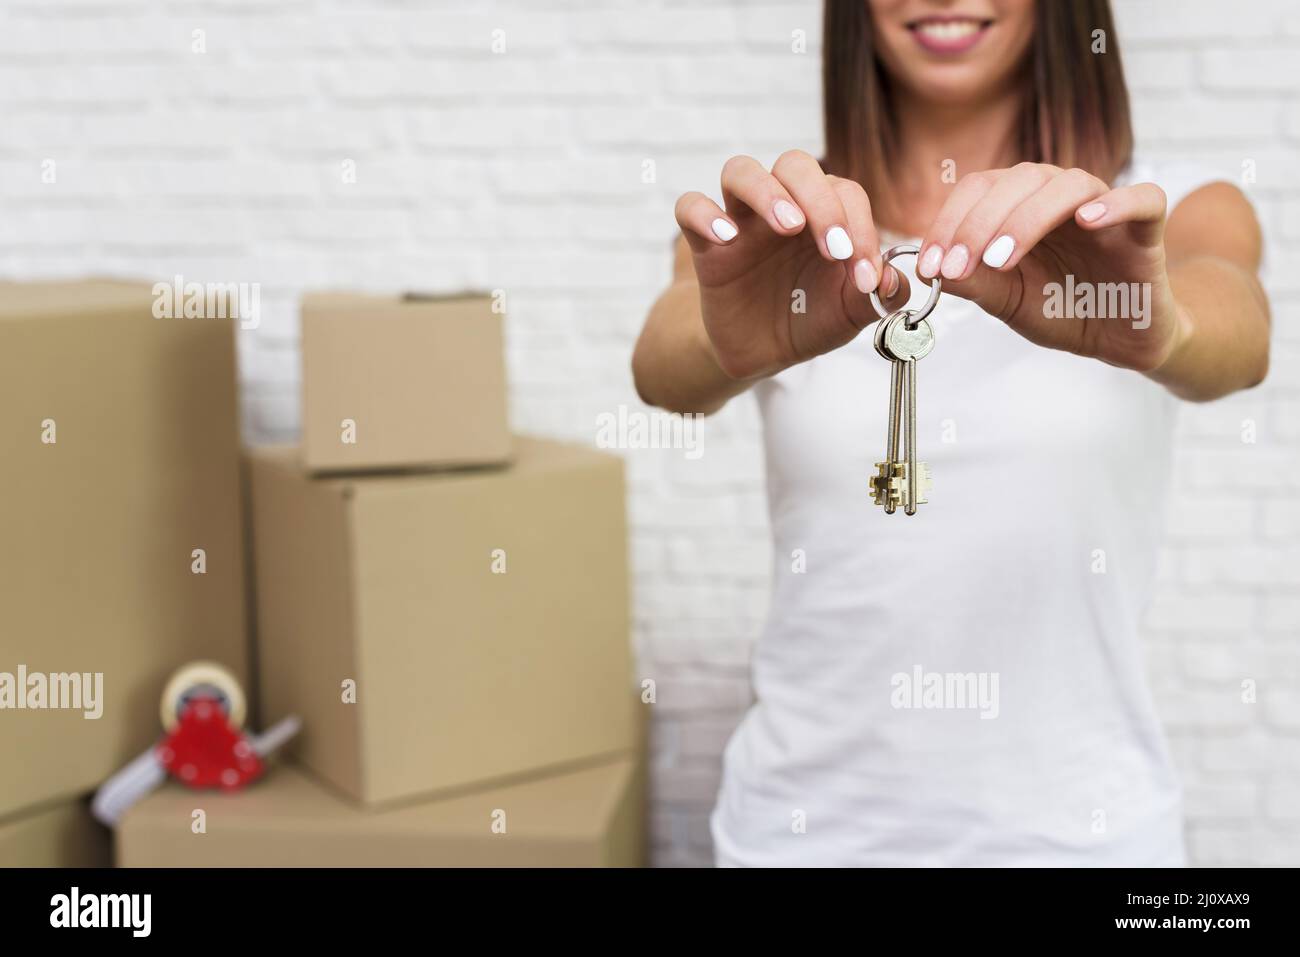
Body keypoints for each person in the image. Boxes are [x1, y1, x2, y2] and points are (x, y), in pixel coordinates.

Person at [633, 0, 1270, 866]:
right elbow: (664, 366)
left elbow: (1237, 333)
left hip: (1084, 840)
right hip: (799, 834)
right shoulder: (785, 224)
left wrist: (1164, 329)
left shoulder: (1160, 215)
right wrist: (722, 341)